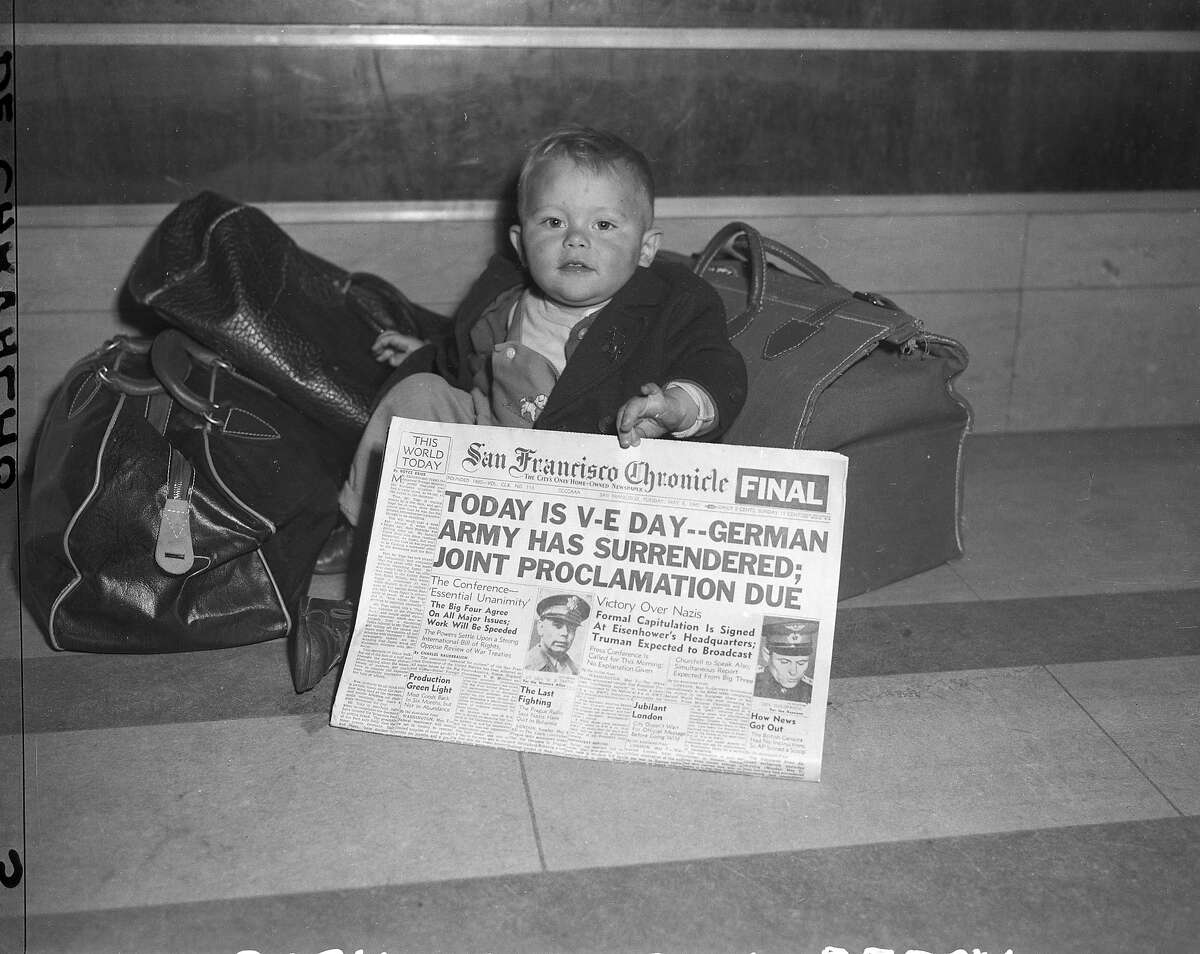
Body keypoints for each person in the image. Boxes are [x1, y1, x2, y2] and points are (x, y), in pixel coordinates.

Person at [291, 126, 747, 692]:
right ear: (519, 239)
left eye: (604, 225)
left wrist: (679, 404)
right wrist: (427, 355)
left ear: (646, 248)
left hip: (594, 493)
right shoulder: (502, 297)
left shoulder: (673, 303)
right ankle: (366, 531)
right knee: (418, 398)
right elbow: (465, 360)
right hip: (492, 468)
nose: (575, 240)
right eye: (553, 222)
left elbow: (718, 367)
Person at [753, 619, 817, 703]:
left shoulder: (812, 690)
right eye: (784, 662)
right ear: (766, 656)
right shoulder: (751, 683)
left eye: (801, 663)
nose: (793, 672)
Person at [524, 594, 591, 674]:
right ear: (540, 627)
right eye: (558, 625)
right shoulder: (526, 664)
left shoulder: (576, 670)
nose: (565, 633)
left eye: (572, 628)